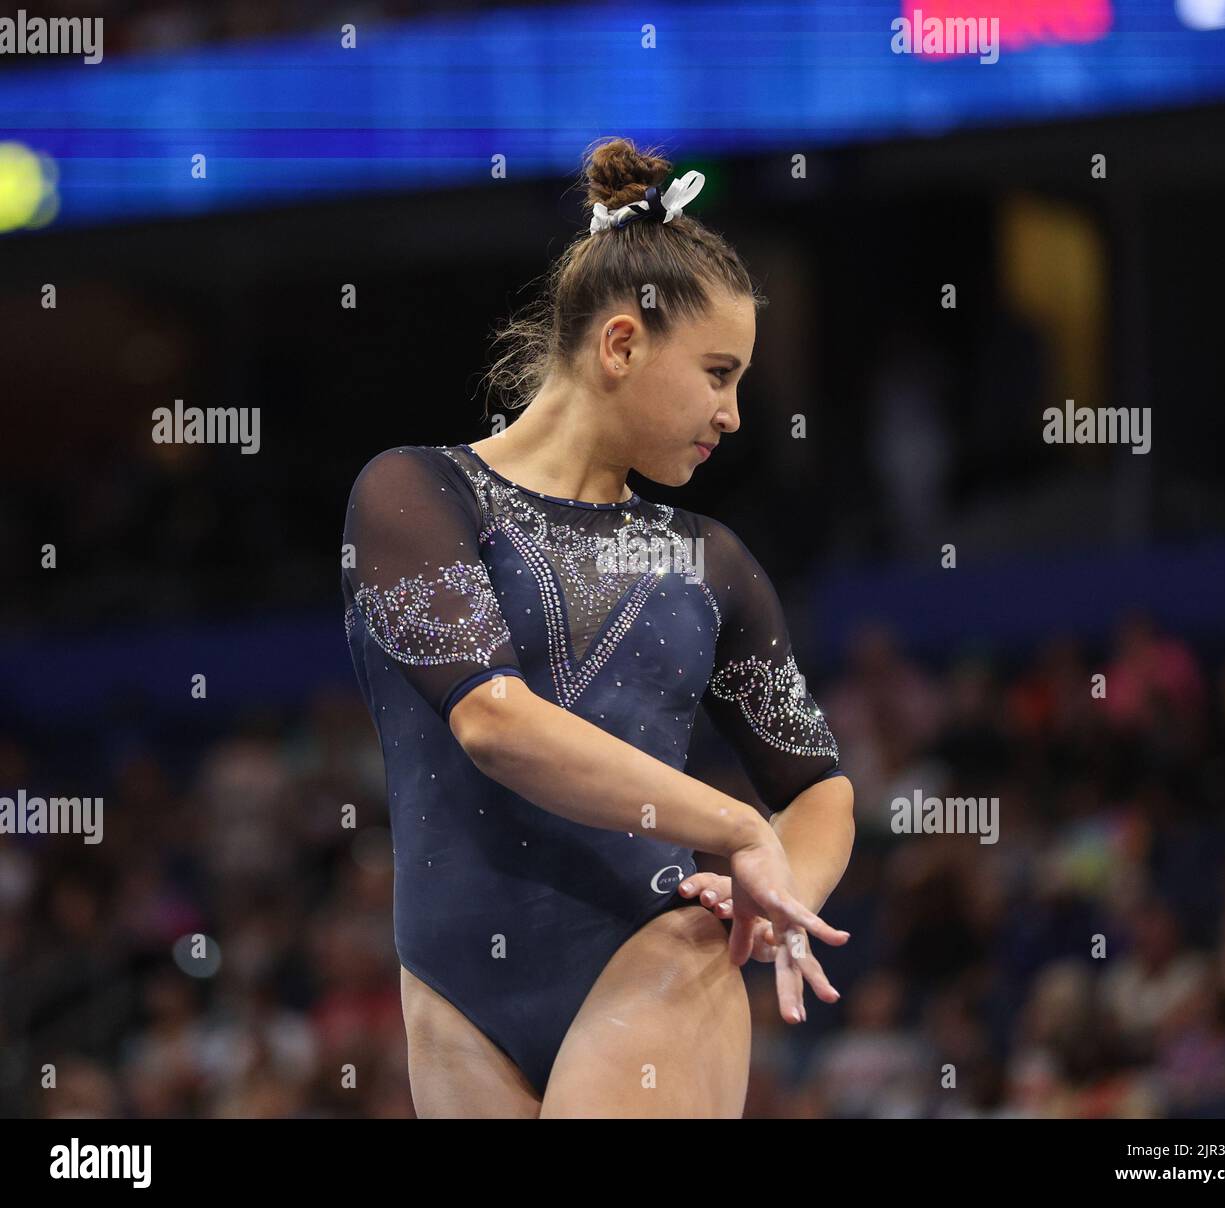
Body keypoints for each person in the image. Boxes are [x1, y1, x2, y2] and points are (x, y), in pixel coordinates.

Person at [340, 137, 856, 1118]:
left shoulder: (710, 561)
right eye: (717, 372)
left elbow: (819, 783)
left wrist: (777, 878)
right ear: (620, 344)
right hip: (453, 993)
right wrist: (737, 824)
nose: (734, 412)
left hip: (654, 952)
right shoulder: (414, 492)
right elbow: (492, 722)